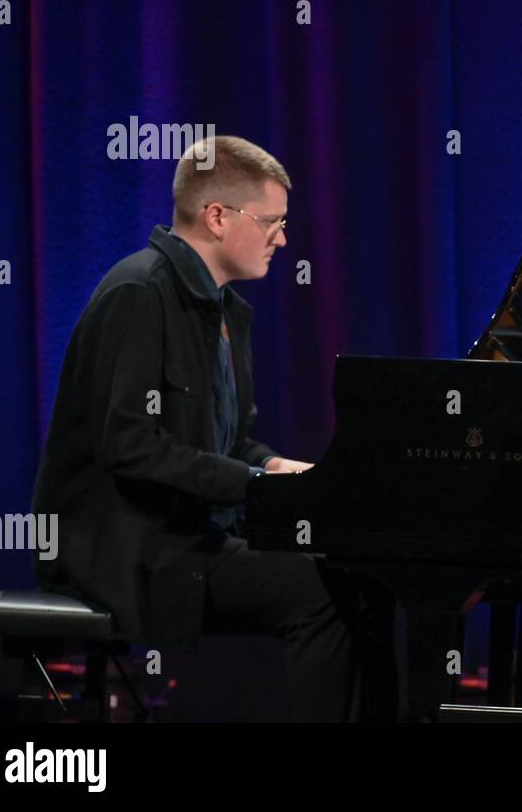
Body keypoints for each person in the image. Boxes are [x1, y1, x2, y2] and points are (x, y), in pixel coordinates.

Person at [31, 135, 357, 721]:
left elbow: (224, 444)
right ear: (216, 217)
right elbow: (130, 446)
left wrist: (279, 468)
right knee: (320, 593)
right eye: (272, 222)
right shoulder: (140, 292)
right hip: (128, 549)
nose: (283, 239)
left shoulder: (223, 309)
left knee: (353, 575)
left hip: (185, 535)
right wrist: (255, 481)